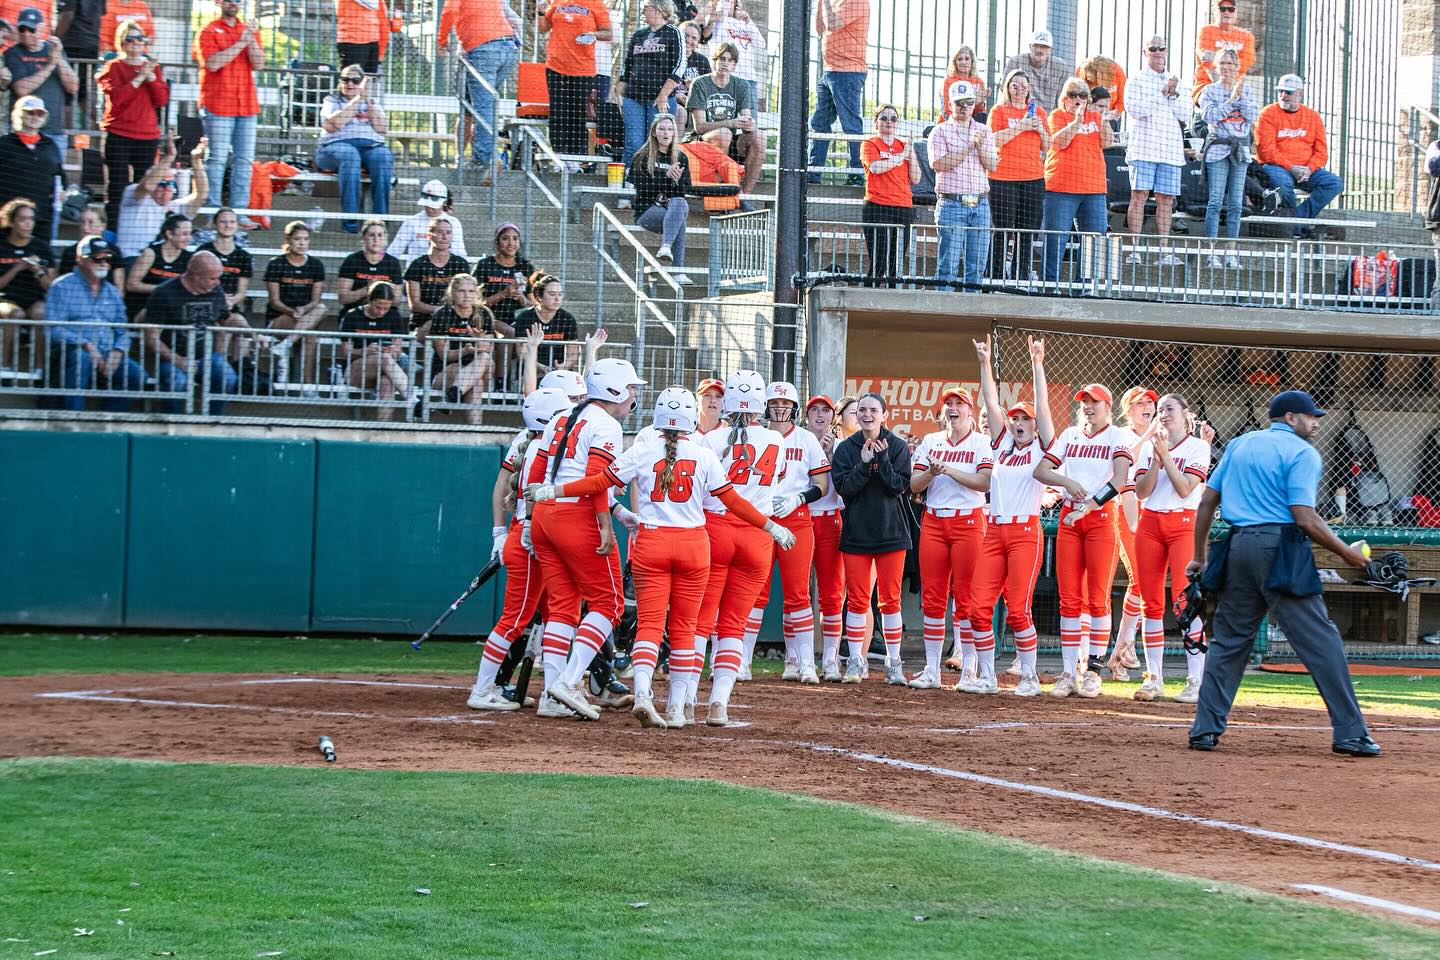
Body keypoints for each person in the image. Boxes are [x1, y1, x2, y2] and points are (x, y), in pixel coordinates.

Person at [528, 386, 794, 726]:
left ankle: (642, 693)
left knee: (650, 626)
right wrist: (771, 526)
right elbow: (733, 502)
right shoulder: (704, 453)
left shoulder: (642, 448)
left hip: (651, 542)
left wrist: (554, 489)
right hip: (695, 545)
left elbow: (597, 483)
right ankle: (679, 708)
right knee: (687, 627)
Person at [1186, 391, 1381, 757]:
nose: (1316, 423)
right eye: (1310, 417)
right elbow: (1304, 516)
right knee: (1321, 642)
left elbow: (1207, 502)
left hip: (1239, 546)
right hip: (1280, 548)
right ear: (1290, 417)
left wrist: (1199, 556)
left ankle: (1204, 730)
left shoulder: (1241, 444)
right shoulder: (1303, 452)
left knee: (1228, 642)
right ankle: (1351, 734)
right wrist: (1348, 553)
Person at [526, 356, 647, 720]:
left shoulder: (562, 416)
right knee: (608, 604)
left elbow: (536, 470)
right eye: (629, 388)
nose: (633, 396)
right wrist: (606, 526)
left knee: (562, 607)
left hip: (545, 517)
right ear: (613, 389)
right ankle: (569, 680)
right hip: (578, 516)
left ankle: (551, 694)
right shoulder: (606, 424)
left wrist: (533, 513)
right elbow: (597, 482)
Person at [686, 369, 788, 724]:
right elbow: (776, 481)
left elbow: (700, 489)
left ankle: (685, 699)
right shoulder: (776, 440)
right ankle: (719, 702)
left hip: (716, 529)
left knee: (700, 621)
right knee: (733, 625)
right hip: (758, 533)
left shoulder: (711, 439)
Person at [468, 386, 571, 712]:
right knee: (514, 620)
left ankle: (556, 691)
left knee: (554, 615)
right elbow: (534, 499)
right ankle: (482, 690)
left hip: (532, 540)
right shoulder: (542, 448)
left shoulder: (537, 446)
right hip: (529, 543)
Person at [1033, 381, 1133, 699]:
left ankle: (1092, 671)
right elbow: (1041, 471)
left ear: (1109, 406)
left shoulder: (1118, 436)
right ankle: (1067, 673)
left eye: (1095, 402)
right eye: (1084, 402)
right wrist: (1067, 481)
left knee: (1098, 597)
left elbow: (1119, 480)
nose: (1088, 407)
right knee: (1069, 599)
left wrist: (1088, 505)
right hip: (1069, 517)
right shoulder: (1070, 434)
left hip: (1100, 518)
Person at [969, 334, 1054, 696]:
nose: (1018, 422)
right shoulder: (1003, 444)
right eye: (1015, 416)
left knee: (1018, 608)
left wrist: (1037, 364)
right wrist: (985, 363)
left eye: (1025, 418)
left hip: (1024, 531)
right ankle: (987, 676)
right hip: (994, 532)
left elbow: (1044, 408)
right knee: (977, 607)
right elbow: (990, 402)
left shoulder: (1041, 445)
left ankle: (1029, 676)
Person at [738, 381, 831, 683]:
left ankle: (805, 663)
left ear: (794, 407)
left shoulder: (805, 439)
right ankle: (742, 662)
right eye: (774, 402)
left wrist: (798, 497)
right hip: (760, 518)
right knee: (755, 591)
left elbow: (822, 485)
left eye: (785, 403)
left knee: (798, 593)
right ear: (765, 406)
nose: (780, 408)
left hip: (795, 517)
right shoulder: (753, 436)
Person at [909, 387, 992, 690]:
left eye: (959, 403)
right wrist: (932, 472)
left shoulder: (981, 442)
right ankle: (931, 669)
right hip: (934, 519)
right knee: (932, 598)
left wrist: (951, 470)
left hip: (969, 521)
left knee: (967, 597)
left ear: (970, 410)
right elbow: (915, 485)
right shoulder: (931, 441)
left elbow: (983, 482)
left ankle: (969, 668)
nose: (953, 408)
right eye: (949, 404)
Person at [1131, 393, 1211, 703]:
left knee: (1185, 601)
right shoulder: (1152, 445)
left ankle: (1195, 679)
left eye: (1169, 409)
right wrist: (1155, 459)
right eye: (1159, 410)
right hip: (1150, 521)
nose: (1163, 415)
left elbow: (1184, 488)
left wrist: (1165, 456)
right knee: (1149, 602)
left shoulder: (1197, 446)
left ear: (1185, 413)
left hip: (1182, 524)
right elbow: (1141, 492)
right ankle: (1154, 679)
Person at [831, 392, 911, 684]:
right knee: (857, 601)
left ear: (884, 415)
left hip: (891, 533)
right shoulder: (845, 450)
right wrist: (864, 464)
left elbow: (897, 486)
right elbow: (845, 489)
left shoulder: (898, 446)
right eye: (862, 410)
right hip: (857, 534)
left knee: (890, 601)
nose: (867, 415)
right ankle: (855, 661)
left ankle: (894, 664)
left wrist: (881, 459)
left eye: (873, 410)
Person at [45, 236, 147, 411]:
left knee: (136, 375)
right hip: (70, 353)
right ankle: (74, 419)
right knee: (81, 359)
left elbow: (122, 329)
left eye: (107, 259)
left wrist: (118, 351)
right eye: (97, 258)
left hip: (107, 353)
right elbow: (53, 328)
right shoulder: (62, 286)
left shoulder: (113, 292)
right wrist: (85, 345)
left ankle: (107, 420)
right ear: (81, 260)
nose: (104, 263)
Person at [142, 251, 241, 415]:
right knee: (177, 382)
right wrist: (178, 360)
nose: (217, 283)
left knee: (227, 376)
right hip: (173, 357)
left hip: (206, 356)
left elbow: (226, 320)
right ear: (194, 276)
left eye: (218, 278)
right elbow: (151, 337)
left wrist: (251, 333)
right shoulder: (163, 293)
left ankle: (212, 421)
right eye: (212, 278)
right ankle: (175, 424)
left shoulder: (215, 289)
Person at [1106, 385, 1159, 681]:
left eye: (1150, 402)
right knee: (1140, 578)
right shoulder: (1123, 434)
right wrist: (1148, 435)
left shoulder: (1157, 437)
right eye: (1139, 403)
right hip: (1126, 510)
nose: (1146, 406)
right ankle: (1120, 650)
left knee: (1145, 581)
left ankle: (1122, 650)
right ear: (1128, 410)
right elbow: (1125, 464)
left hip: (1152, 511)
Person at [438, 0, 521, 183]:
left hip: (483, 49)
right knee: (484, 106)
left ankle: (485, 159)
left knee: (483, 107)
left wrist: (441, 40)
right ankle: (484, 156)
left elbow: (449, 11)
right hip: (507, 47)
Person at [95, 21, 168, 228]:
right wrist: (139, 79)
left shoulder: (153, 67)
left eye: (139, 39)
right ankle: (113, 230)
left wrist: (151, 77)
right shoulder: (114, 67)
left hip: (146, 135)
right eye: (130, 39)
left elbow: (161, 99)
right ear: (122, 43)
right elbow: (118, 99)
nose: (135, 43)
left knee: (142, 185)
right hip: (118, 133)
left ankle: (136, 228)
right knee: (117, 185)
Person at [1041, 77, 1112, 286]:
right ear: (1065, 98)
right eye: (1073, 95)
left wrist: (1105, 120)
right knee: (1056, 240)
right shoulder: (1056, 115)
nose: (1078, 100)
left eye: (1082, 96)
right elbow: (1058, 142)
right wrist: (1076, 122)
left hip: (1094, 189)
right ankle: (1049, 286)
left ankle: (1084, 287)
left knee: (1093, 241)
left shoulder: (1095, 117)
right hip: (1061, 188)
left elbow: (1107, 143)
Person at [193, 0, 263, 211]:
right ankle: (213, 209)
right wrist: (242, 42)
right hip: (219, 105)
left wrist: (249, 39)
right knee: (217, 159)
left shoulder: (248, 29)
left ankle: (239, 212)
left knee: (244, 161)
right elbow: (213, 63)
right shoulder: (207, 30)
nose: (233, 2)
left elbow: (259, 64)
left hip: (247, 106)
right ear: (219, 2)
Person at [1124, 36, 1189, 264]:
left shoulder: (1177, 82)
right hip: (1144, 148)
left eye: (1161, 48)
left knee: (1166, 199)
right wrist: (1161, 94)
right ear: (1145, 52)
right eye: (1153, 49)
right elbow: (1134, 110)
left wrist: (1172, 95)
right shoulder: (1136, 80)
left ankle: (1163, 250)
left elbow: (1185, 114)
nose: (1158, 52)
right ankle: (1135, 250)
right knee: (1139, 196)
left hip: (1170, 149)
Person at [928, 81, 997, 289]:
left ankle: (973, 313)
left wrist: (980, 145)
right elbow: (938, 164)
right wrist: (970, 146)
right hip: (952, 204)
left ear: (974, 103)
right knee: (947, 264)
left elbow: (992, 164)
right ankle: (944, 312)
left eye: (968, 101)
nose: (964, 106)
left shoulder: (984, 130)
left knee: (976, 265)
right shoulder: (939, 131)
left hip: (980, 204)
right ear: (951, 104)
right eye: (959, 103)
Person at [1257, 75, 1343, 233]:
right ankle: (1296, 225)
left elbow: (1322, 152)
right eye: (1280, 91)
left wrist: (1309, 169)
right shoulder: (1268, 113)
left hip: (1306, 170)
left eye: (1288, 92)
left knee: (1334, 183)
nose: (1283, 95)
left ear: (1299, 94)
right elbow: (1266, 151)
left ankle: (1297, 221)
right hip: (1277, 167)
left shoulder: (1313, 116)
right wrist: (1291, 168)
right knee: (1283, 184)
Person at [987, 69, 1049, 283]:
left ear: (1029, 88)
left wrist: (1041, 130)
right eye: (1015, 85)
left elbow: (1049, 146)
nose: (1020, 89)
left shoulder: (1038, 112)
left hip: (1032, 178)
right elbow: (993, 140)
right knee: (1002, 230)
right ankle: (995, 278)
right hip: (1003, 178)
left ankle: (1020, 277)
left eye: (1023, 85)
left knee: (1027, 232)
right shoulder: (999, 110)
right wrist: (1021, 127)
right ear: (1008, 88)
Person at [315, 67, 395, 233]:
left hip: (370, 146)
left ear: (361, 83)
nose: (350, 84)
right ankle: (350, 221)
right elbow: (335, 124)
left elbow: (382, 128)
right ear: (340, 82)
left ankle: (380, 222)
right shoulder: (331, 100)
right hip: (334, 147)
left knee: (384, 156)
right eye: (345, 80)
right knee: (350, 156)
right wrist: (358, 100)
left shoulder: (372, 102)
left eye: (355, 81)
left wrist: (368, 103)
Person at [1198, 50, 1258, 269]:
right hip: (1218, 150)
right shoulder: (1209, 91)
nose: (1226, 67)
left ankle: (1231, 252)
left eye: (1230, 63)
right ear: (1216, 65)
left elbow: (1253, 116)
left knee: (1235, 203)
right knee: (1215, 201)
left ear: (1237, 66)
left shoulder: (1247, 90)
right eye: (1222, 62)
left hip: (1240, 151)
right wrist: (1232, 100)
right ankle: (1211, 251)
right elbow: (1209, 116)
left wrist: (1239, 98)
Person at [804, 393, 847, 678]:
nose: (820, 415)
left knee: (832, 593)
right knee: (797, 592)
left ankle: (830, 659)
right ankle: (797, 660)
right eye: (815, 410)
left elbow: (847, 484)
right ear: (807, 415)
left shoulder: (842, 446)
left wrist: (832, 456)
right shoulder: (794, 440)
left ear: (833, 416)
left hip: (831, 517)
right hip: (800, 518)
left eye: (825, 410)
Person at [686, 42, 762, 200]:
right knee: (724, 134)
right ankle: (719, 192)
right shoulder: (700, 83)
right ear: (714, 61)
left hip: (730, 140)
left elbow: (745, 117)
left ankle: (743, 196)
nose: (726, 63)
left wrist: (749, 124)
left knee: (759, 137)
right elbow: (699, 127)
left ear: (734, 65)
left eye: (730, 60)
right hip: (700, 142)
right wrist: (731, 123)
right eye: (722, 59)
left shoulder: (742, 85)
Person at [536, 0, 612, 157]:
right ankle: (558, 155)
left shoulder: (596, 4)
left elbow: (608, 33)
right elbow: (543, 28)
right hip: (555, 66)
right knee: (558, 113)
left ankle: (574, 158)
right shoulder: (557, 2)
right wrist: (541, 13)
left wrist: (593, 34)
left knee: (576, 114)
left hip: (582, 69)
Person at [419, 273, 497, 424]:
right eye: (462, 291)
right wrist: (465, 351)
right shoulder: (442, 314)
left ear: (476, 293)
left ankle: (453, 395)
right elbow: (444, 355)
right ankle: (475, 431)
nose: (467, 296)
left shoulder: (483, 314)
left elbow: (487, 347)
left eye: (471, 291)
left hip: (481, 370)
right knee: (471, 379)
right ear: (452, 293)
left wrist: (478, 340)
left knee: (485, 359)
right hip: (445, 373)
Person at [115, 140, 209, 261]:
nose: (167, 187)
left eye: (171, 183)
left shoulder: (175, 207)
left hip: (159, 262)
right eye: (162, 183)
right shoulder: (133, 194)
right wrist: (169, 157)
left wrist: (196, 162)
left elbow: (201, 196)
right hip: (131, 258)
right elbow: (148, 185)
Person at [627, 113, 693, 283]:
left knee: (680, 203)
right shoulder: (642, 156)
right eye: (662, 129)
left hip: (670, 210)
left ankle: (665, 247)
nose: (666, 133)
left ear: (674, 133)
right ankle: (677, 271)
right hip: (646, 211)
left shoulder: (681, 157)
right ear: (654, 132)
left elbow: (682, 193)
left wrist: (676, 181)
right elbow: (642, 190)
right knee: (679, 221)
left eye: (670, 129)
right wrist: (666, 177)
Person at [616, 1, 683, 168]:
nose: (643, 10)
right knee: (633, 144)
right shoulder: (638, 34)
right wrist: (620, 86)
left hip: (659, 100)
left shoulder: (673, 33)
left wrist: (663, 95)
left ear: (659, 9)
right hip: (634, 98)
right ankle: (628, 186)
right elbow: (628, 64)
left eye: (647, 7)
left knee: (657, 144)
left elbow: (679, 66)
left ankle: (655, 187)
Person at [808, 0, 868, 186]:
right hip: (830, 70)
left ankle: (857, 173)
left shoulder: (857, 2)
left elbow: (833, 24)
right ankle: (813, 171)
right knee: (820, 123)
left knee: (850, 124)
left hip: (848, 71)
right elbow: (820, 26)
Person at [859, 104, 919, 286]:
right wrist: (901, 157)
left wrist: (911, 152)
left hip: (902, 207)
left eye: (893, 118)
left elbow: (916, 178)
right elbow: (876, 168)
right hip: (877, 206)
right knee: (879, 259)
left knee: (896, 262)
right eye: (884, 118)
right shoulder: (870, 143)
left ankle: (892, 299)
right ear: (876, 122)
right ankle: (871, 298)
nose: (888, 122)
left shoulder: (903, 146)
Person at [5, 8, 77, 156]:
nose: (26, 33)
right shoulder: (13, 53)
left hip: (53, 130)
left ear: (41, 28)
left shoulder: (54, 50)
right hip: (22, 131)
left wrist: (58, 59)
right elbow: (22, 89)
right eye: (22, 29)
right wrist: (50, 65)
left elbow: (73, 87)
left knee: (53, 176)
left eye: (31, 29)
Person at [263, 221, 327, 386]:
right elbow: (274, 301)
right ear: (289, 240)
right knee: (309, 332)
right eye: (297, 239)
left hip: (304, 316)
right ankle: (288, 349)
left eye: (305, 239)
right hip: (279, 318)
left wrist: (304, 309)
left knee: (321, 310)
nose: (301, 243)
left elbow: (315, 301)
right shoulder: (276, 264)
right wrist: (292, 312)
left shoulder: (316, 265)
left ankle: (306, 385)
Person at [336, 280, 409, 419]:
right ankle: (411, 398)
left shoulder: (394, 316)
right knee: (384, 358)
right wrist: (365, 351)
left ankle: (383, 429)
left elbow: (398, 350)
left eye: (386, 308)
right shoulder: (352, 316)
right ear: (369, 299)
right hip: (357, 370)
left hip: (386, 369)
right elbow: (346, 352)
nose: (382, 312)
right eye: (378, 307)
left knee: (387, 383)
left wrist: (391, 351)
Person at [0, 96, 63, 245]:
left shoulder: (50, 145)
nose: (34, 117)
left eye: (39, 114)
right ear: (18, 114)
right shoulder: (4, 144)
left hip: (41, 217)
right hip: (9, 219)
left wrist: (62, 192)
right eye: (30, 112)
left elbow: (59, 175)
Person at [124, 211, 191, 320]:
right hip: (145, 308)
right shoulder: (150, 254)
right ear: (169, 234)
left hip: (174, 309)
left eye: (190, 233)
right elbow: (131, 285)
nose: (189, 238)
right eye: (184, 234)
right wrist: (162, 290)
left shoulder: (189, 258)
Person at [403, 216, 469, 326]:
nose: (444, 236)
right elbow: (414, 304)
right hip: (422, 322)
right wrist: (440, 311)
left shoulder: (460, 265)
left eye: (448, 233)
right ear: (430, 236)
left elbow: (466, 298)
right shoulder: (417, 265)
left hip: (454, 322)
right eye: (440, 232)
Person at [699, 0, 764, 108]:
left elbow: (761, 44)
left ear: (735, 5)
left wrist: (748, 21)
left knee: (749, 118)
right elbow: (704, 37)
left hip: (748, 77)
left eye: (730, 1)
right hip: (725, 77)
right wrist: (712, 20)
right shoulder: (713, 20)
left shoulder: (744, 23)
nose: (727, 4)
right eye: (723, 1)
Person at [472, 222, 533, 337]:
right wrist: (504, 294)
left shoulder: (525, 267)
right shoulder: (485, 265)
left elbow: (534, 306)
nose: (511, 243)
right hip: (488, 318)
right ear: (497, 242)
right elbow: (476, 304)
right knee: (510, 333)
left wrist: (521, 297)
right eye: (505, 238)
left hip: (518, 320)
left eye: (515, 239)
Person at [511, 274, 579, 373]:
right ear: (539, 296)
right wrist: (541, 368)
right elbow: (522, 352)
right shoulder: (525, 317)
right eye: (552, 294)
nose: (557, 299)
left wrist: (562, 367)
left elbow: (573, 354)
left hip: (559, 373)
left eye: (560, 294)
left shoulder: (567, 319)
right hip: (530, 372)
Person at [0, 198, 51, 325]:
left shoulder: (42, 247)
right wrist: (17, 268)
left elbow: (52, 288)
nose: (28, 224)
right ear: (11, 222)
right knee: (16, 314)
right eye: (23, 219)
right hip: (5, 299)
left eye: (31, 219)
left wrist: (38, 271)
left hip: (35, 299)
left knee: (40, 314)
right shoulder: (2, 247)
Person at [387, 178, 467, 259]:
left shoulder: (454, 223)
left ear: (445, 203)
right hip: (417, 270)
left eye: (433, 206)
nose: (429, 209)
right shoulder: (411, 222)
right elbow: (394, 250)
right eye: (427, 205)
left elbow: (460, 254)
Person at [1191, 0, 1253, 103]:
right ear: (1216, 11)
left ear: (1236, 12)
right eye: (1222, 9)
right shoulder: (1206, 31)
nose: (1226, 12)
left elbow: (1242, 68)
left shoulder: (1247, 37)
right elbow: (1208, 64)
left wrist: (1216, 57)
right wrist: (1224, 90)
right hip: (1205, 87)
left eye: (1231, 9)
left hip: (1235, 89)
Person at [337, 219, 403, 310]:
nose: (376, 239)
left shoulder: (393, 263)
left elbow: (397, 302)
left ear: (385, 238)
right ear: (364, 238)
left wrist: (382, 290)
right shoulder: (351, 261)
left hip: (384, 313)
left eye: (380, 235)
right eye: (372, 235)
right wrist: (369, 288)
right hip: (355, 312)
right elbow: (343, 299)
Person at [1003, 30, 1070, 113]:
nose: (1040, 50)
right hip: (1018, 115)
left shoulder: (1060, 67)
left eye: (1044, 47)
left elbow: (1064, 98)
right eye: (1036, 45)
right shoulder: (1015, 62)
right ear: (1030, 46)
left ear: (1050, 50)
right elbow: (1005, 91)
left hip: (1049, 118)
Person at [57, 204, 115, 277]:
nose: (85, 228)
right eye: (82, 222)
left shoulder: (113, 251)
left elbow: (118, 285)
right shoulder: (70, 252)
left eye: (91, 222)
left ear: (103, 226)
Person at [336, 0, 390, 75]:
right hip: (353, 40)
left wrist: (381, 52)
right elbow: (372, 4)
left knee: (368, 81)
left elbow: (382, 18)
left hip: (373, 39)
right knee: (351, 80)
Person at [938, 45, 987, 123]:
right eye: (960, 59)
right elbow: (946, 111)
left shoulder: (979, 81)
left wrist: (980, 103)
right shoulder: (948, 81)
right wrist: (974, 101)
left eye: (967, 58)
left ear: (972, 61)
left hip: (972, 125)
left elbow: (979, 112)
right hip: (950, 124)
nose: (964, 62)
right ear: (954, 62)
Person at [674, 19, 710, 109]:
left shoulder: (702, 61)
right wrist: (675, 96)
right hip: (671, 101)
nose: (689, 40)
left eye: (694, 38)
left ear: (698, 43)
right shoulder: (668, 57)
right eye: (686, 35)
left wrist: (694, 86)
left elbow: (709, 89)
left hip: (695, 104)